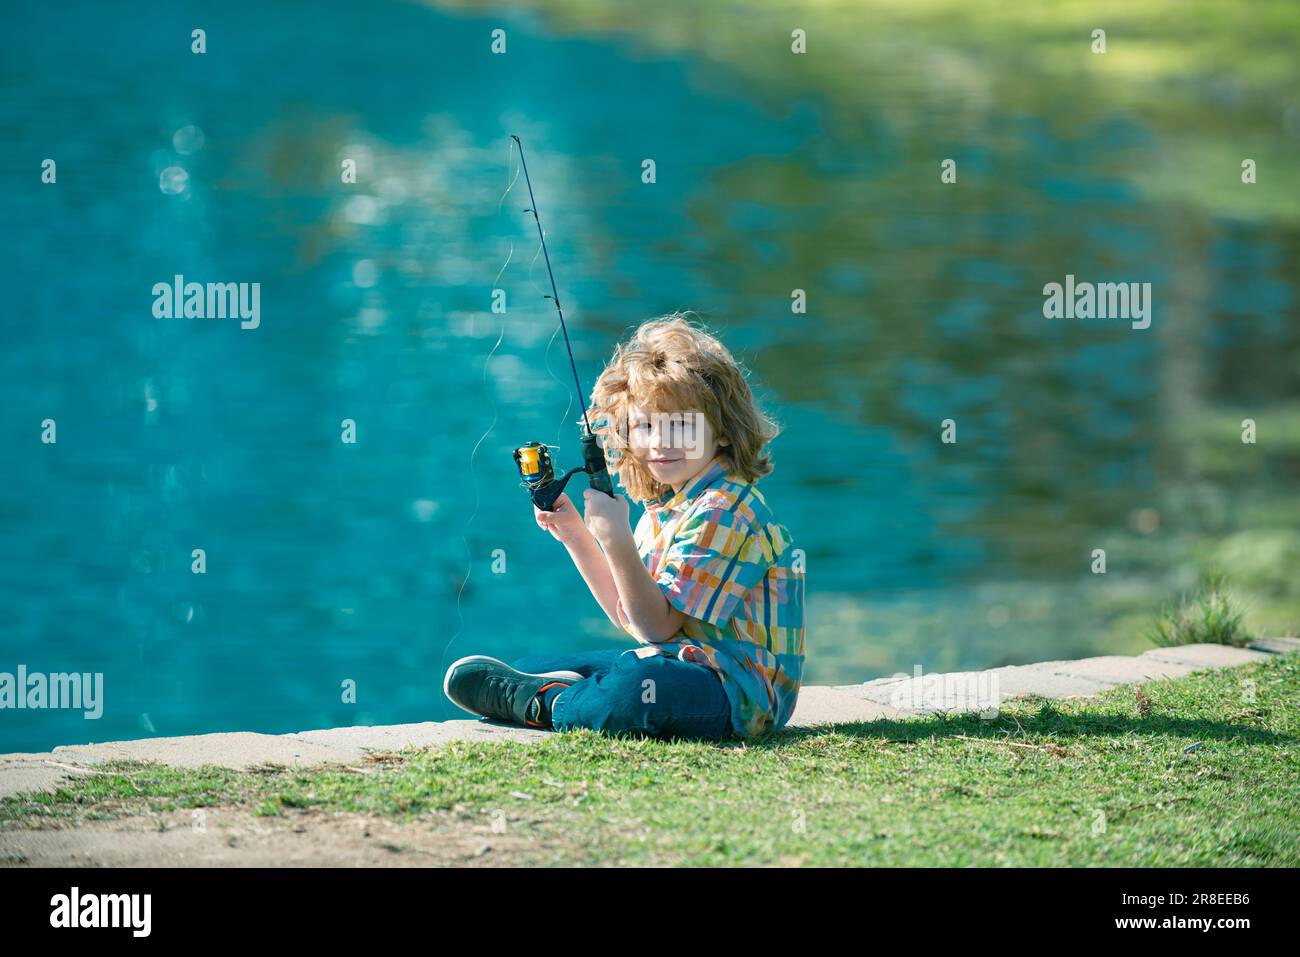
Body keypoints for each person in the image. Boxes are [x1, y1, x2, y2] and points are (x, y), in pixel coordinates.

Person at [444, 313, 805, 740]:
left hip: (736, 693)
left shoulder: (725, 507)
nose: (659, 443)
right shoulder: (666, 506)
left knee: (631, 692)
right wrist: (577, 534)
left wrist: (614, 538)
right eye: (645, 425)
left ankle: (552, 703)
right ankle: (560, 695)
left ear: (723, 431)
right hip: (675, 660)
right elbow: (632, 617)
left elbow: (656, 627)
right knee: (530, 667)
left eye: (680, 426)